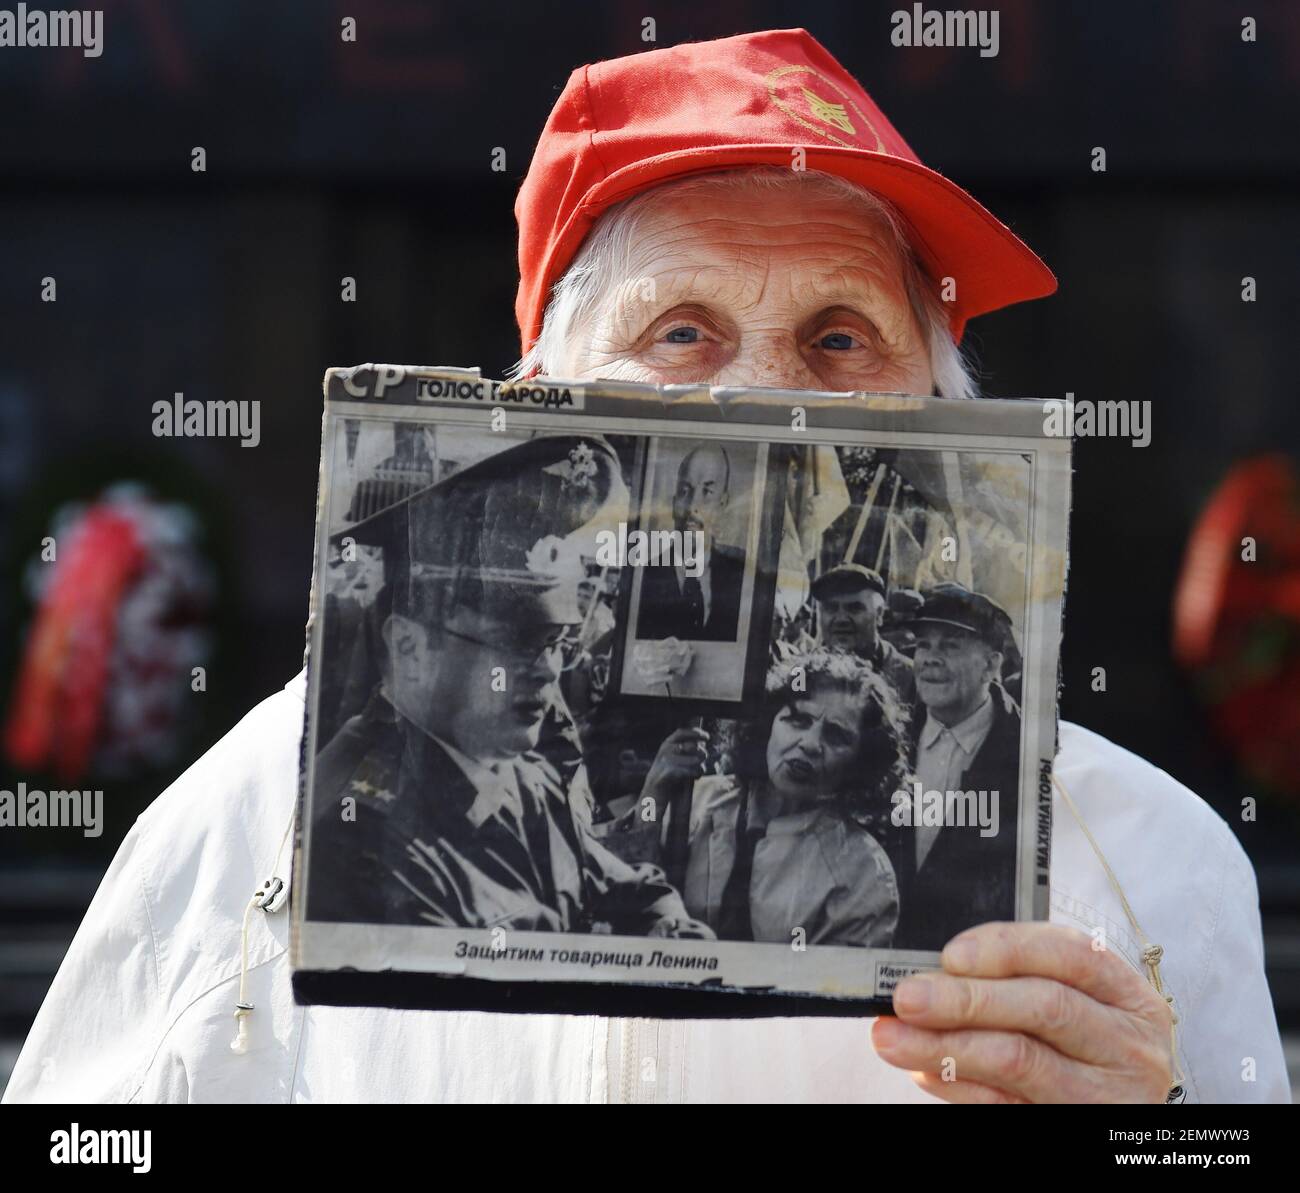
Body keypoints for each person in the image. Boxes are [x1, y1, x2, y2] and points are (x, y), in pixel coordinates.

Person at [6, 28, 1287, 1105]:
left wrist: (1161, 1129)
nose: (763, 399)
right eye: (683, 332)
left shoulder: (1147, 856)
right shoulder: (257, 808)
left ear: (924, 422)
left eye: (840, 339)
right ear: (541, 409)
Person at [308, 434, 708, 937]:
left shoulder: (524, 778)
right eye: (518, 643)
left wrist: (669, 928)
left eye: (557, 641)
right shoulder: (359, 834)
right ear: (411, 649)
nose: (547, 670)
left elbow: (630, 890)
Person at [643, 648, 905, 947]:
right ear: (767, 723)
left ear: (861, 762)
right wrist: (652, 795)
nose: (809, 744)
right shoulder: (698, 801)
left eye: (836, 736)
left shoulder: (863, 873)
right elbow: (627, 895)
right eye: (798, 720)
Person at [893, 583, 1022, 951]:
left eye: (950, 646)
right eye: (924, 645)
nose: (931, 658)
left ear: (992, 665)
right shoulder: (884, 731)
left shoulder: (1026, 752)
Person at [636, 442, 746, 642]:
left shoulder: (743, 578)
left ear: (722, 505)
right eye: (685, 491)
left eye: (707, 492)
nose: (693, 506)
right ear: (673, 503)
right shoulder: (642, 575)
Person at [812, 563, 916, 705]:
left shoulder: (912, 679)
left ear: (879, 615)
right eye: (831, 608)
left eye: (854, 609)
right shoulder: (802, 674)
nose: (841, 619)